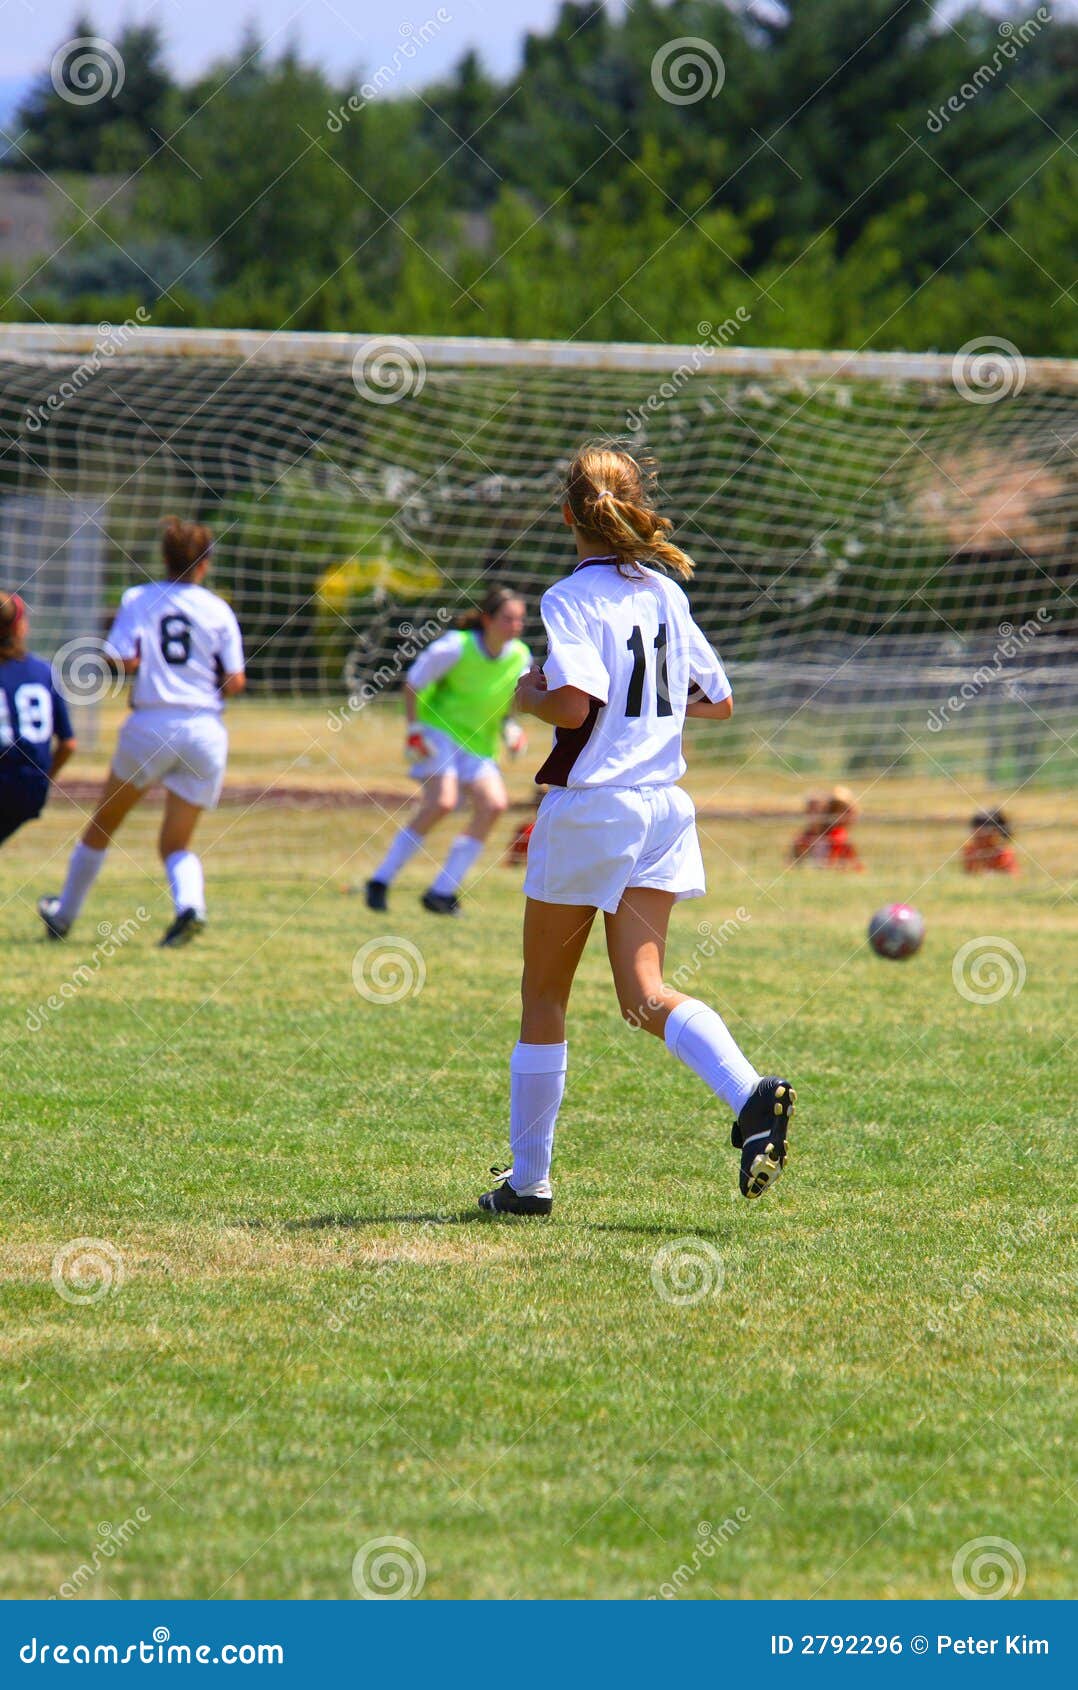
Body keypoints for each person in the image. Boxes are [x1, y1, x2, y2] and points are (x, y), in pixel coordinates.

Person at [478, 444, 795, 1218]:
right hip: (664, 808)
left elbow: (575, 704)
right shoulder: (664, 593)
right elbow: (716, 700)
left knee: (543, 996)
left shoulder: (569, 598)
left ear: (566, 515)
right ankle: (751, 1096)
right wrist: (644, 710)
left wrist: (528, 696)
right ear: (632, 505)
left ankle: (528, 1185)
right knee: (643, 995)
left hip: (595, 809)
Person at [38, 517, 245, 948]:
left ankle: (63, 915)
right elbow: (236, 681)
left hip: (151, 724)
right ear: (204, 563)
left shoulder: (138, 598)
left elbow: (123, 660)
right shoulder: (219, 609)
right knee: (175, 842)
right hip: (206, 729)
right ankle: (190, 905)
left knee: (104, 825)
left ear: (164, 559)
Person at [365, 586, 531, 915]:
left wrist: (510, 727)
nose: (516, 626)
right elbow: (413, 683)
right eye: (508, 618)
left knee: (494, 804)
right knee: (442, 801)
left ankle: (441, 892)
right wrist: (413, 730)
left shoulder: (520, 656)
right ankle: (381, 880)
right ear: (487, 619)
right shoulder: (456, 647)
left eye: (520, 620)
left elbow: (515, 699)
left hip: (478, 743)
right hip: (437, 733)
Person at [0, 592, 77, 846]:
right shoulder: (43, 671)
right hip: (30, 789)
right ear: (19, 626)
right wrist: (44, 780)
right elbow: (68, 744)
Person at [790, 785, 862, 869]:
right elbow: (792, 864)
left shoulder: (837, 835)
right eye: (810, 810)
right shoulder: (804, 838)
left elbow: (851, 867)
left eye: (818, 810)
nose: (814, 815)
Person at [963, 808, 1018, 874]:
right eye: (975, 834)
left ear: (994, 832)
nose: (977, 838)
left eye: (982, 836)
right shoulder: (971, 852)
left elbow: (1013, 875)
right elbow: (969, 875)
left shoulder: (1003, 854)